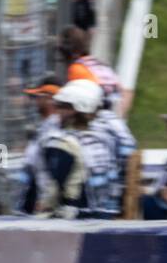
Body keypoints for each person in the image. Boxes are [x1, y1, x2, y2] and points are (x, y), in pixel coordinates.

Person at [34, 78, 114, 219]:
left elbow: (54, 186)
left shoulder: (64, 143)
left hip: (76, 218)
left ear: (75, 109)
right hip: (104, 214)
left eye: (62, 106)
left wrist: (42, 211)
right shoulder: (104, 139)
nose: (58, 111)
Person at [17, 76, 59, 214]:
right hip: (34, 196)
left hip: (45, 203)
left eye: (37, 97)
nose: (33, 101)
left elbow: (56, 168)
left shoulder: (55, 128)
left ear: (50, 99)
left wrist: (46, 200)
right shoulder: (44, 126)